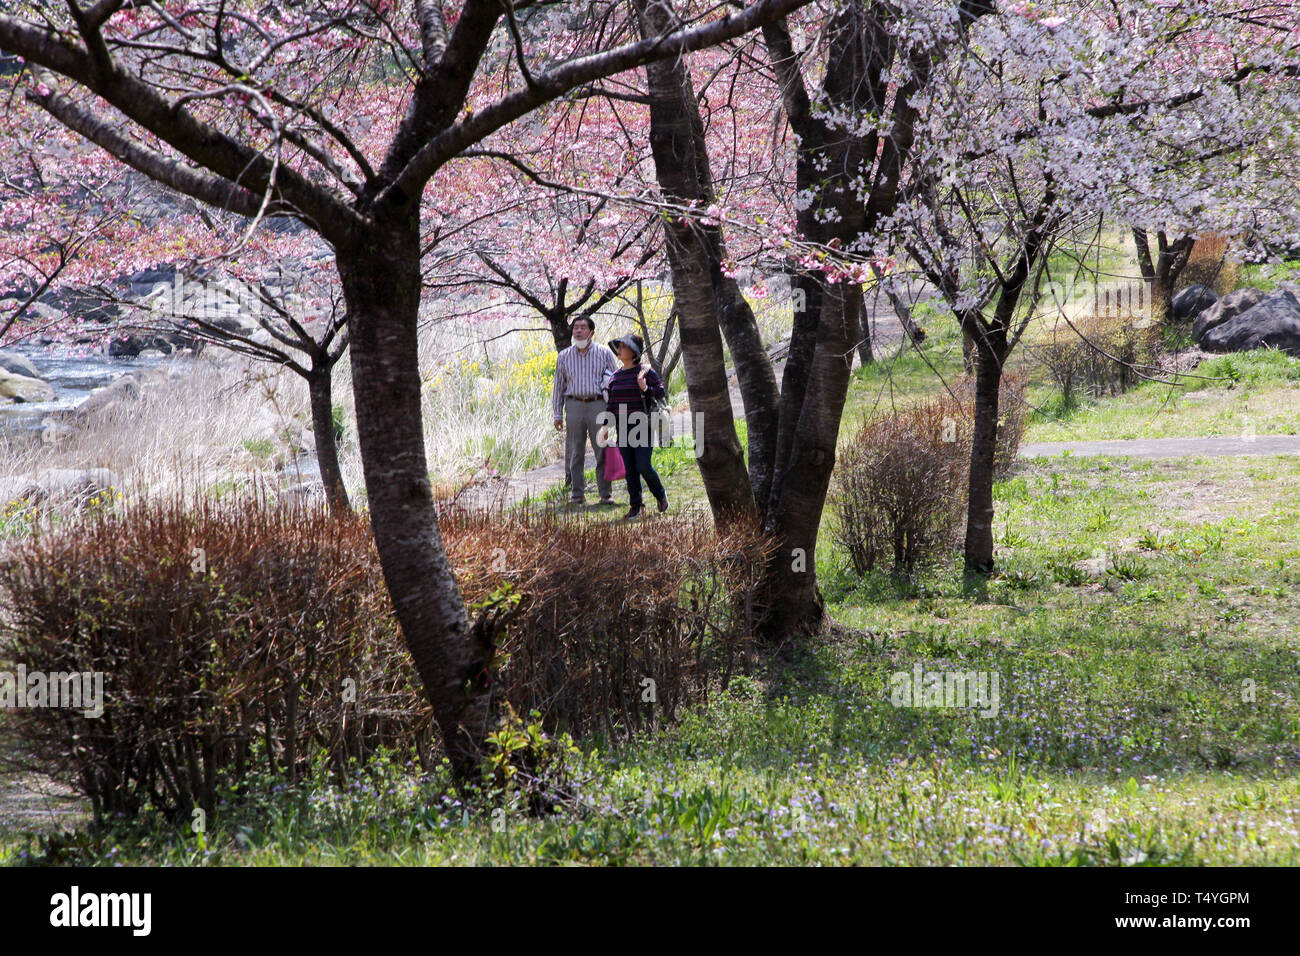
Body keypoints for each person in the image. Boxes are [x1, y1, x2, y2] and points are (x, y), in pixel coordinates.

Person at [551, 316, 618, 506]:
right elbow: (559, 387)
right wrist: (557, 413)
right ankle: (577, 493)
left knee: (601, 450)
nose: (578, 331)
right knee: (575, 451)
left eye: (582, 328)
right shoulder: (564, 356)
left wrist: (613, 409)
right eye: (575, 328)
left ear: (591, 332)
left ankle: (605, 493)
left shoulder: (604, 353)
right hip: (573, 405)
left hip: (598, 405)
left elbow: (614, 381)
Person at [603, 333, 668, 521]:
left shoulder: (645, 372)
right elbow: (611, 405)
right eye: (619, 346)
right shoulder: (615, 377)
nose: (620, 349)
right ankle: (635, 506)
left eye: (624, 346)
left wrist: (645, 387)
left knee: (643, 465)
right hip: (623, 428)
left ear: (634, 352)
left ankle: (660, 495)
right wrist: (606, 427)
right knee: (630, 469)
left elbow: (661, 392)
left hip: (643, 425)